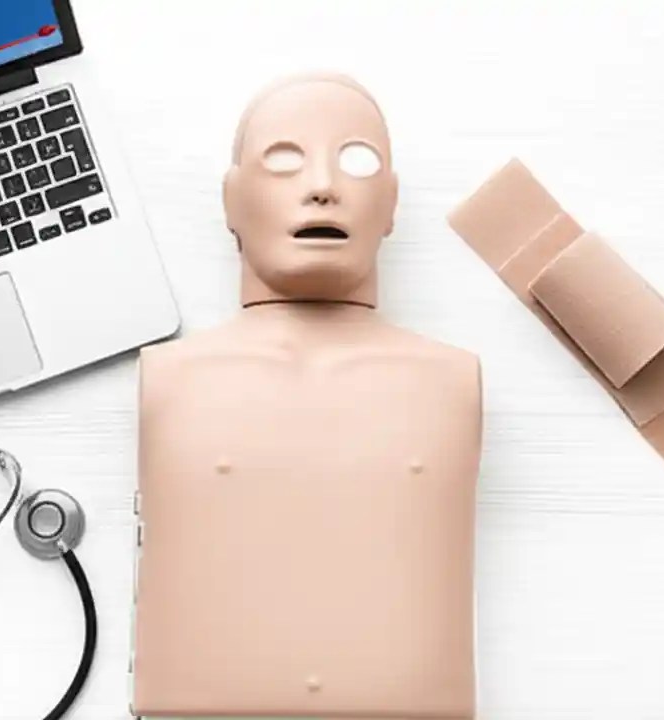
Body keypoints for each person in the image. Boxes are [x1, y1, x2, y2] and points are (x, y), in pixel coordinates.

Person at [132, 73, 483, 719]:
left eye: (357, 161)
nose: (323, 186)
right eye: (284, 160)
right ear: (231, 201)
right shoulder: (172, 377)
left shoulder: (451, 379)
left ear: (392, 202)